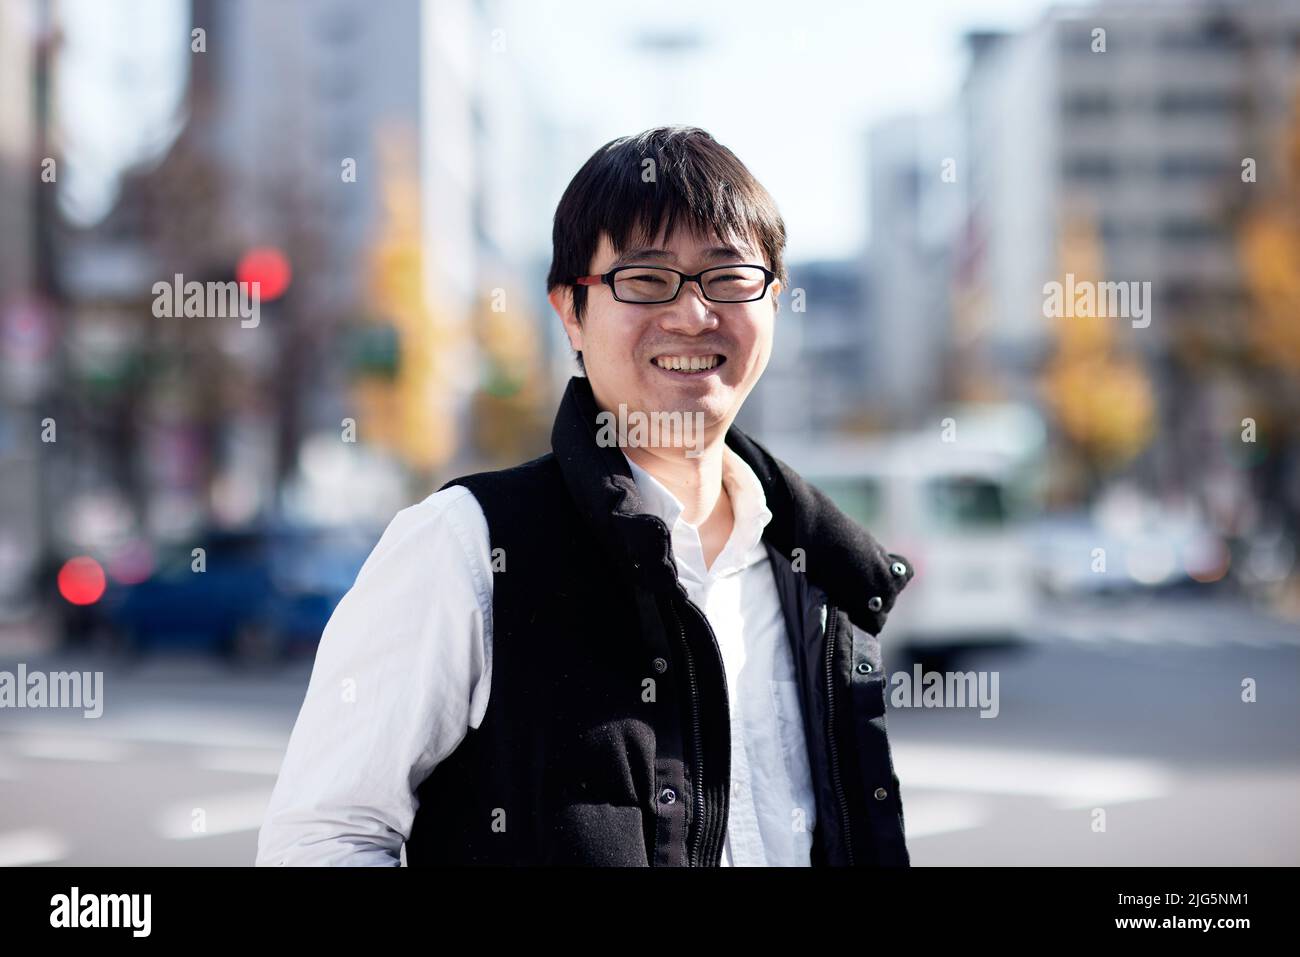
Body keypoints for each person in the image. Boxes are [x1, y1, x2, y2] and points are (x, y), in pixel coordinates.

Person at [256, 126, 914, 867]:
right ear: (571, 310)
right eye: (645, 277)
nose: (694, 314)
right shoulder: (466, 546)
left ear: (775, 300)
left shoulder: (817, 574)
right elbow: (321, 841)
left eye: (729, 277)